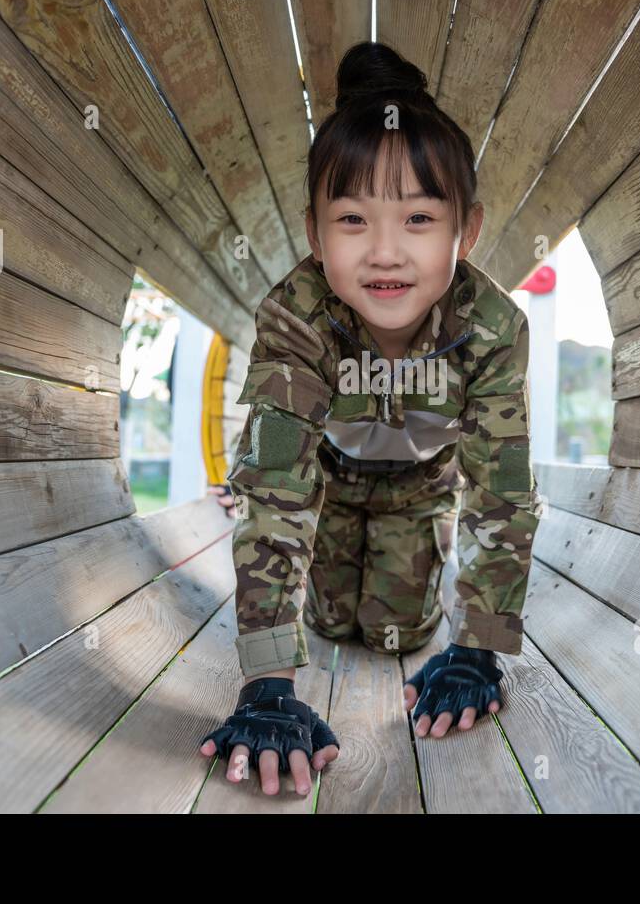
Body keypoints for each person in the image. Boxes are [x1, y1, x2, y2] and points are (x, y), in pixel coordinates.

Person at [199, 41, 541, 797]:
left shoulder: (491, 327)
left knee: (399, 630)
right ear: (317, 235)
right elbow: (278, 487)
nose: (386, 251)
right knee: (323, 620)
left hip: (423, 485)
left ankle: (408, 575)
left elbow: (501, 489)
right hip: (328, 476)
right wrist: (267, 684)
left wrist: (481, 646)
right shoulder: (296, 314)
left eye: (419, 216)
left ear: (467, 231)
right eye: (353, 218)